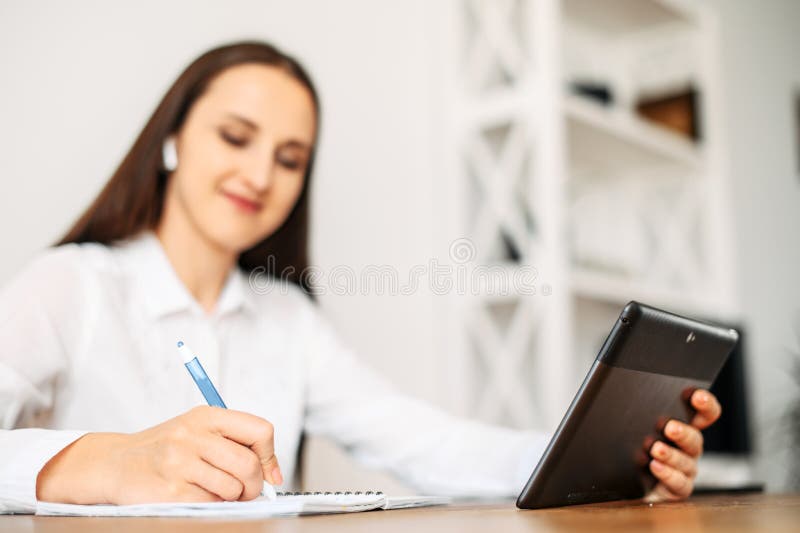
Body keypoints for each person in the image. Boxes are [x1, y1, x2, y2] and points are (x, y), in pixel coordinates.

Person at [0, 41, 722, 513]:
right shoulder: (74, 286)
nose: (259, 174)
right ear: (170, 140)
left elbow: (430, 444)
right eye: (235, 137)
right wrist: (112, 461)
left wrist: (612, 459)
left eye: (289, 159)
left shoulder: (286, 318)